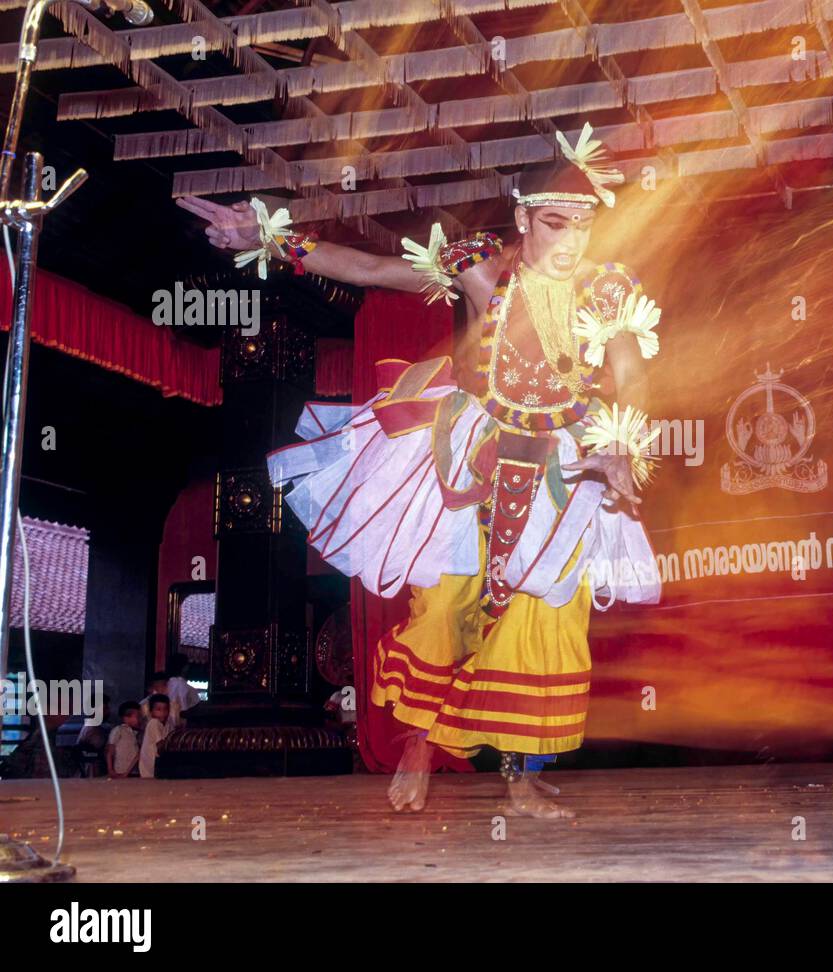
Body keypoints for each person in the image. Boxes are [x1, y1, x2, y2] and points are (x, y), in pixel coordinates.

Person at [179, 123, 662, 818]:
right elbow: (375, 271)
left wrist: (622, 444)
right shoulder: (482, 268)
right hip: (471, 456)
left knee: (546, 609)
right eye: (557, 224)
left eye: (584, 229)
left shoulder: (609, 292)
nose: (573, 242)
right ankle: (418, 741)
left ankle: (520, 775)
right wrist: (271, 240)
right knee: (447, 604)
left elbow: (632, 376)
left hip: (566, 463)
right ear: (525, 218)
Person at [138, 695, 171, 779]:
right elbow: (161, 745)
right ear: (151, 712)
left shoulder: (167, 725)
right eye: (158, 709)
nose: (163, 713)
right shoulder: (154, 722)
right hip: (153, 767)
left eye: (165, 709)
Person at [106, 702, 142, 779]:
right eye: (138, 716)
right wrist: (110, 770)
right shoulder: (118, 730)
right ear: (126, 717)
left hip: (134, 772)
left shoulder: (136, 733)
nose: (140, 719)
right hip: (119, 771)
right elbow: (110, 752)